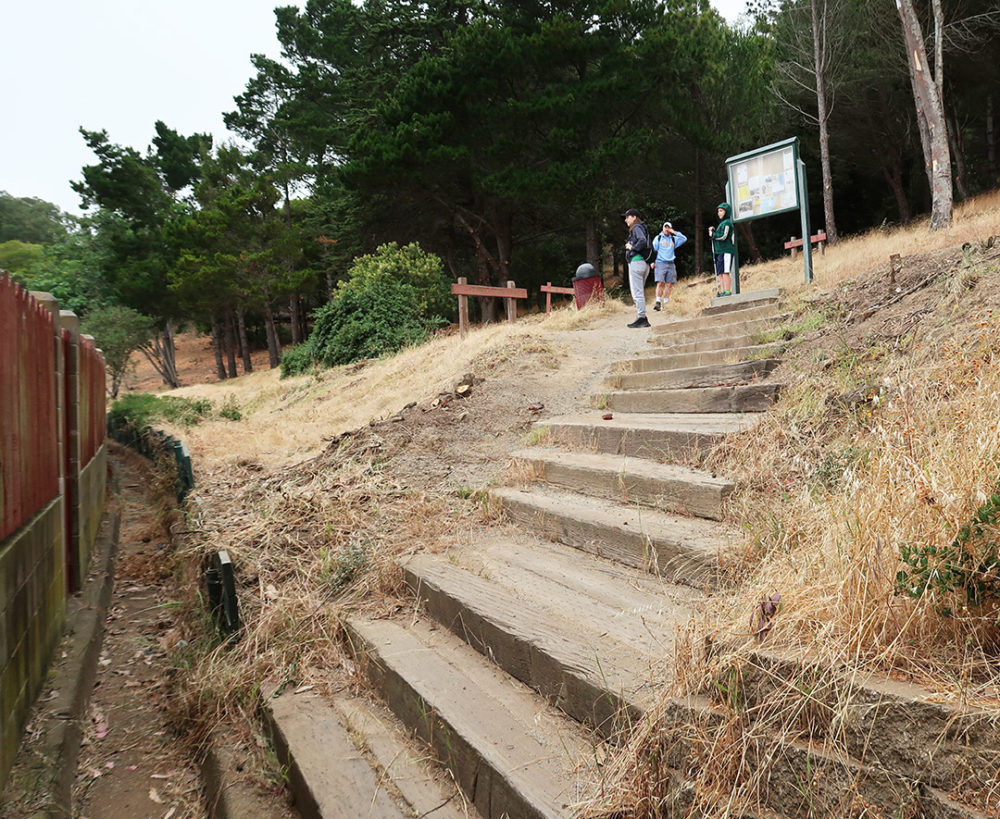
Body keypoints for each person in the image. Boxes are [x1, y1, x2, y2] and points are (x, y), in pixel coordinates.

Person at [622, 208, 652, 328]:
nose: (625, 220)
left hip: (636, 263)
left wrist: (631, 247)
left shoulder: (636, 227)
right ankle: (642, 317)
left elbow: (642, 241)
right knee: (639, 292)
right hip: (644, 263)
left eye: (627, 217)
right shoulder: (642, 227)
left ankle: (641, 318)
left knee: (637, 293)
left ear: (634, 217)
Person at [651, 221, 687, 311]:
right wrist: (652, 261)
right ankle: (658, 301)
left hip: (671, 263)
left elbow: (684, 239)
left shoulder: (673, 239)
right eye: (665, 227)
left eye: (668, 227)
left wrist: (674, 232)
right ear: (662, 228)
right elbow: (653, 249)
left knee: (669, 284)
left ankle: (666, 303)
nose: (666, 229)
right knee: (660, 282)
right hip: (660, 262)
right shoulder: (658, 238)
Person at [708, 202, 736, 297]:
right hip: (719, 251)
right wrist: (714, 232)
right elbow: (719, 234)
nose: (719, 213)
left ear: (726, 212)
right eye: (718, 211)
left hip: (726, 250)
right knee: (720, 272)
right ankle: (723, 291)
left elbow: (724, 236)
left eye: (721, 211)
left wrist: (714, 235)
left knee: (725, 271)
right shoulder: (721, 224)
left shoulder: (727, 222)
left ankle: (727, 291)